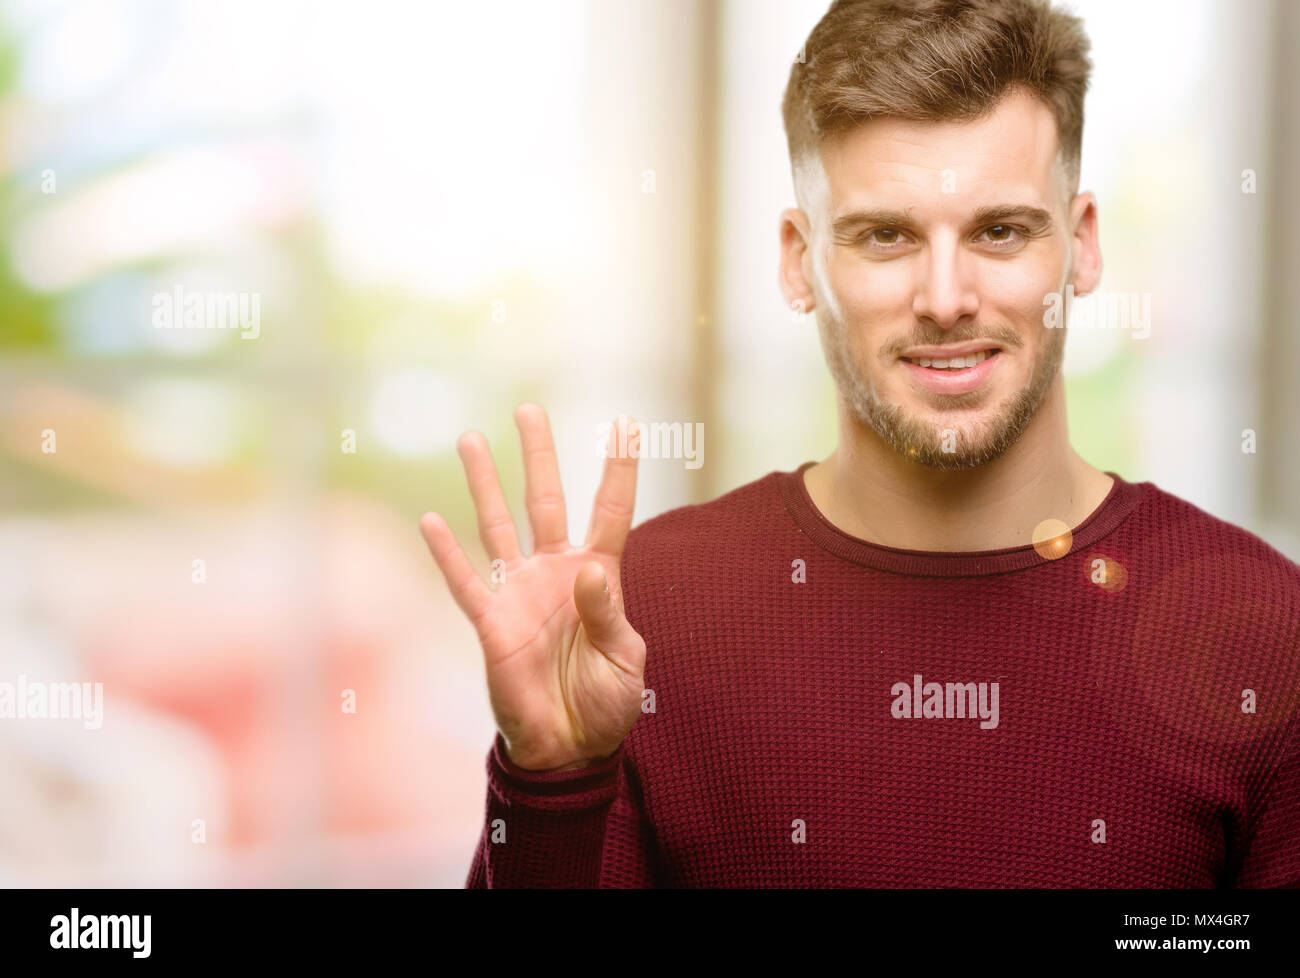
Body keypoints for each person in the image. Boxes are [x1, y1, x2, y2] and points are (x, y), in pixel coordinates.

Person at [421, 0, 1300, 887]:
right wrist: (550, 788)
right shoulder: (636, 620)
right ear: (800, 262)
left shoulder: (1268, 635)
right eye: (887, 236)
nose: (947, 297)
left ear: (1081, 245)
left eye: (1000, 231)